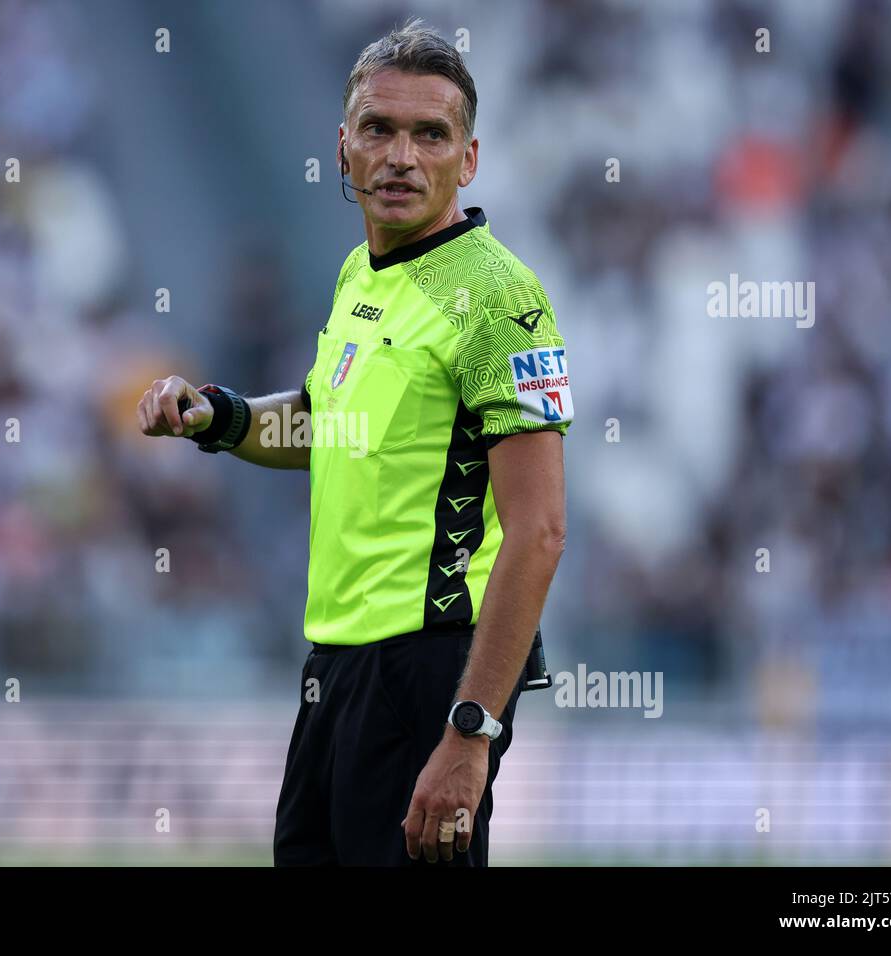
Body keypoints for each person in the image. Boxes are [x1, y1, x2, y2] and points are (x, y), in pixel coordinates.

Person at [137, 18, 572, 866]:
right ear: (343, 149)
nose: (401, 155)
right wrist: (218, 416)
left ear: (468, 159)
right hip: (334, 664)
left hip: (429, 670)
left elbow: (541, 530)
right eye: (379, 129)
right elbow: (328, 423)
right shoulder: (358, 275)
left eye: (429, 134)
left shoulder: (500, 299)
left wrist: (471, 732)